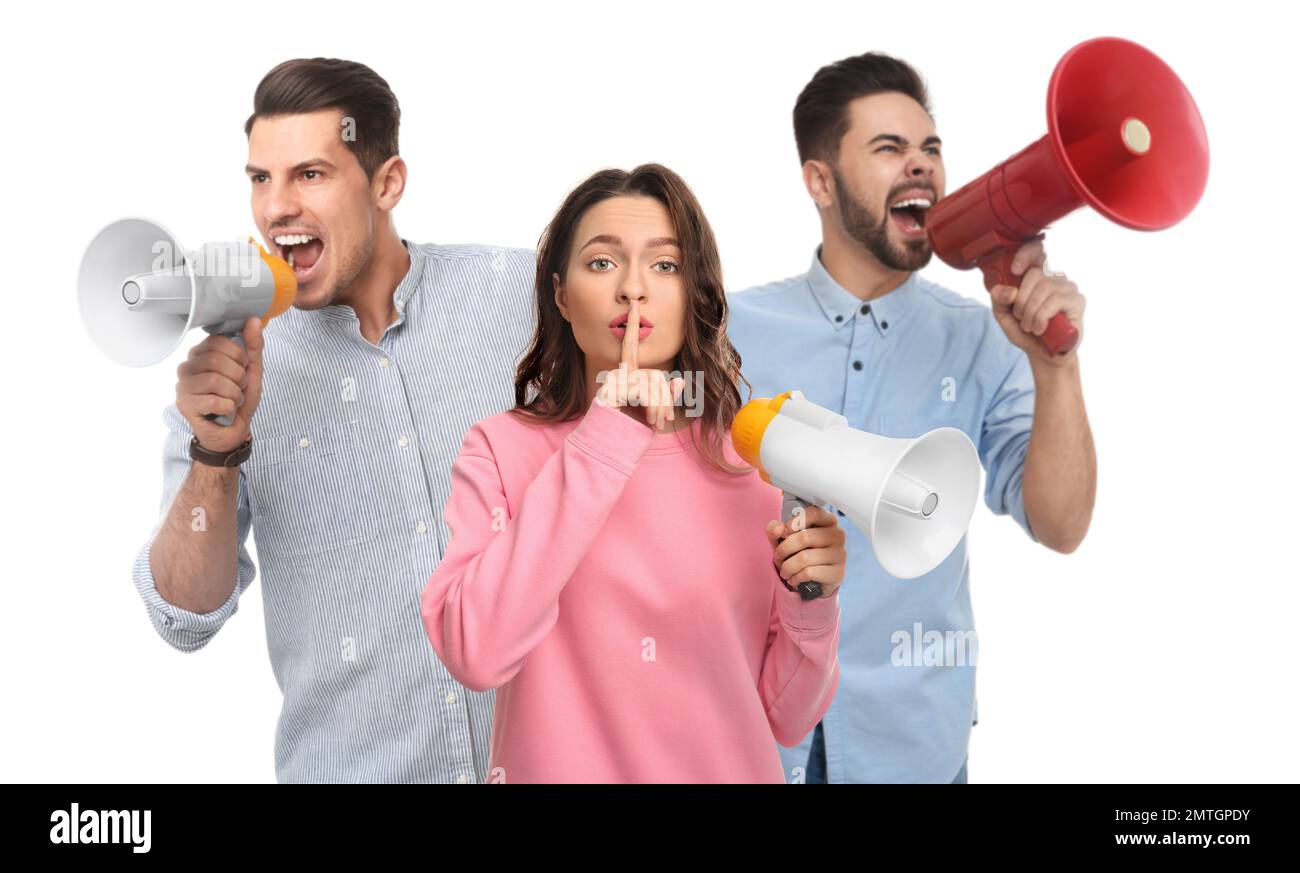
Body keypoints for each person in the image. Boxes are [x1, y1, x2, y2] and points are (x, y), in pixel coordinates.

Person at [131, 58, 536, 782]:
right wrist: (215, 454)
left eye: (310, 174)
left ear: (388, 183)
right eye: (260, 178)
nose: (276, 207)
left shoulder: (519, 301)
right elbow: (183, 617)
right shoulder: (228, 371)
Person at [727, 51, 1097, 783]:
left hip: (911, 745)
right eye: (889, 148)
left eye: (930, 148)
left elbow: (1062, 526)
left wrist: (1057, 369)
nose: (921, 166)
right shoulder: (732, 328)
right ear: (820, 181)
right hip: (752, 731)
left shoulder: (985, 334)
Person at [421, 164, 847, 783]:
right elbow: (475, 650)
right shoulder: (501, 449)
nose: (633, 289)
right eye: (601, 263)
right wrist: (606, 435)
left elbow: (787, 719)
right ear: (561, 295)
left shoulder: (754, 463)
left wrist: (815, 601)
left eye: (665, 265)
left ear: (694, 292)